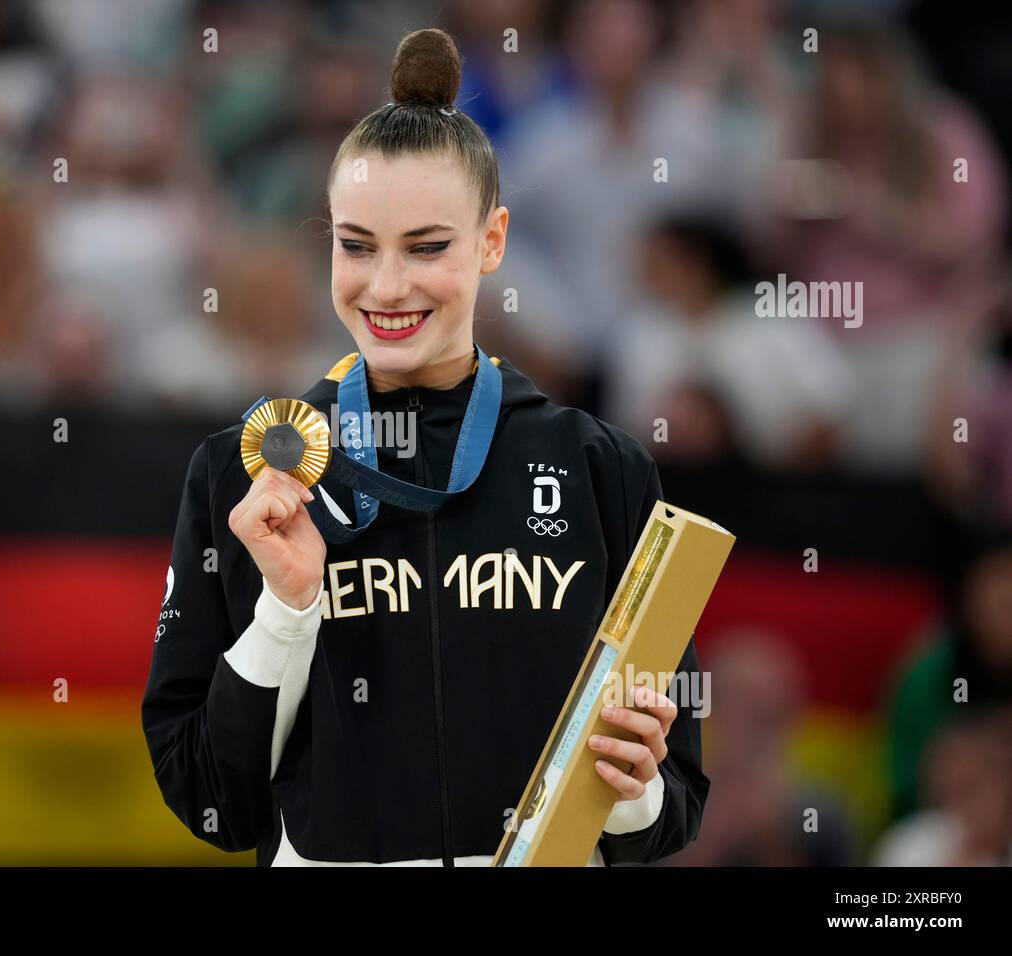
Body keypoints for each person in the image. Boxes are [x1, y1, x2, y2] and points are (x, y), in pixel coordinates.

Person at [141, 28, 709, 866]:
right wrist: (286, 610)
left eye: (429, 246)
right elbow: (211, 801)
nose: (388, 286)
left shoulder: (601, 468)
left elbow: (677, 805)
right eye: (357, 245)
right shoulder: (248, 470)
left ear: (493, 240)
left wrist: (629, 794)